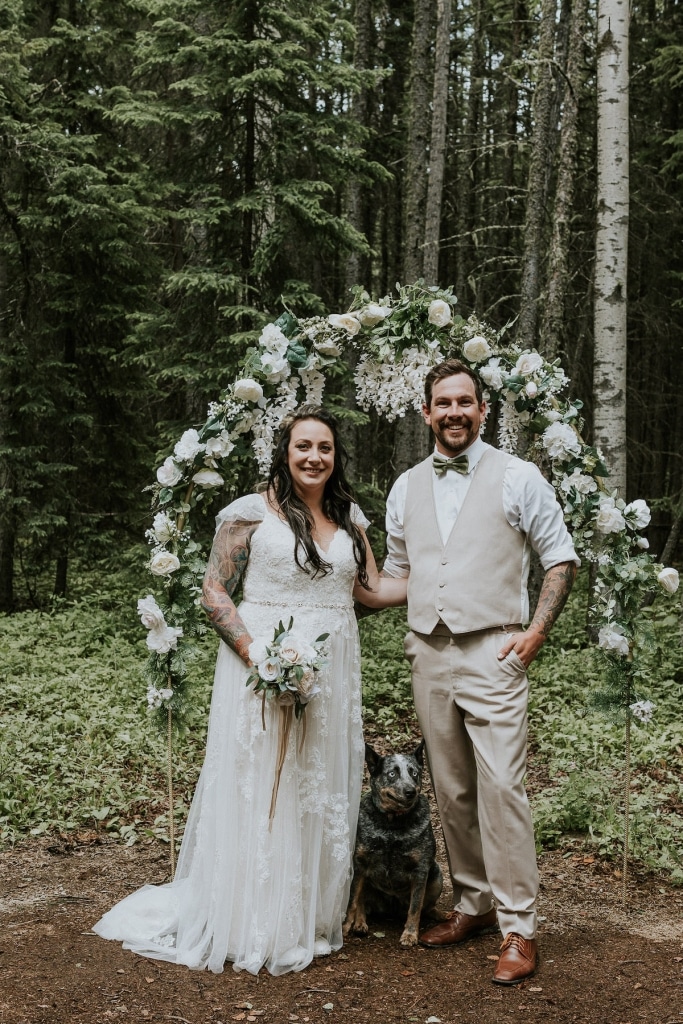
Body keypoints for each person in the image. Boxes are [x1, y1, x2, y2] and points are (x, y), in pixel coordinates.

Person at [93, 405, 405, 975]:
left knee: (315, 784)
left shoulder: (349, 516)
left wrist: (439, 577)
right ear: (285, 451)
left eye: (325, 448)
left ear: (336, 456)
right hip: (262, 664)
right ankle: (253, 917)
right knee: (263, 782)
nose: (315, 457)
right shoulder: (250, 513)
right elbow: (214, 590)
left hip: (331, 670)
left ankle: (306, 913)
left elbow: (371, 590)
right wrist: (257, 654)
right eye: (304, 446)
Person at [374, 358, 579, 985]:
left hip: (495, 650)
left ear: (483, 410)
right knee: (452, 787)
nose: (454, 412)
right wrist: (334, 584)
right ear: (426, 412)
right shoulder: (405, 487)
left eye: (465, 402)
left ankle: (519, 927)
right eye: (443, 403)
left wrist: (535, 632)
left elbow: (560, 558)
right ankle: (474, 903)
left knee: (502, 787)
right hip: (428, 652)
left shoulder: (519, 477)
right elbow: (399, 573)